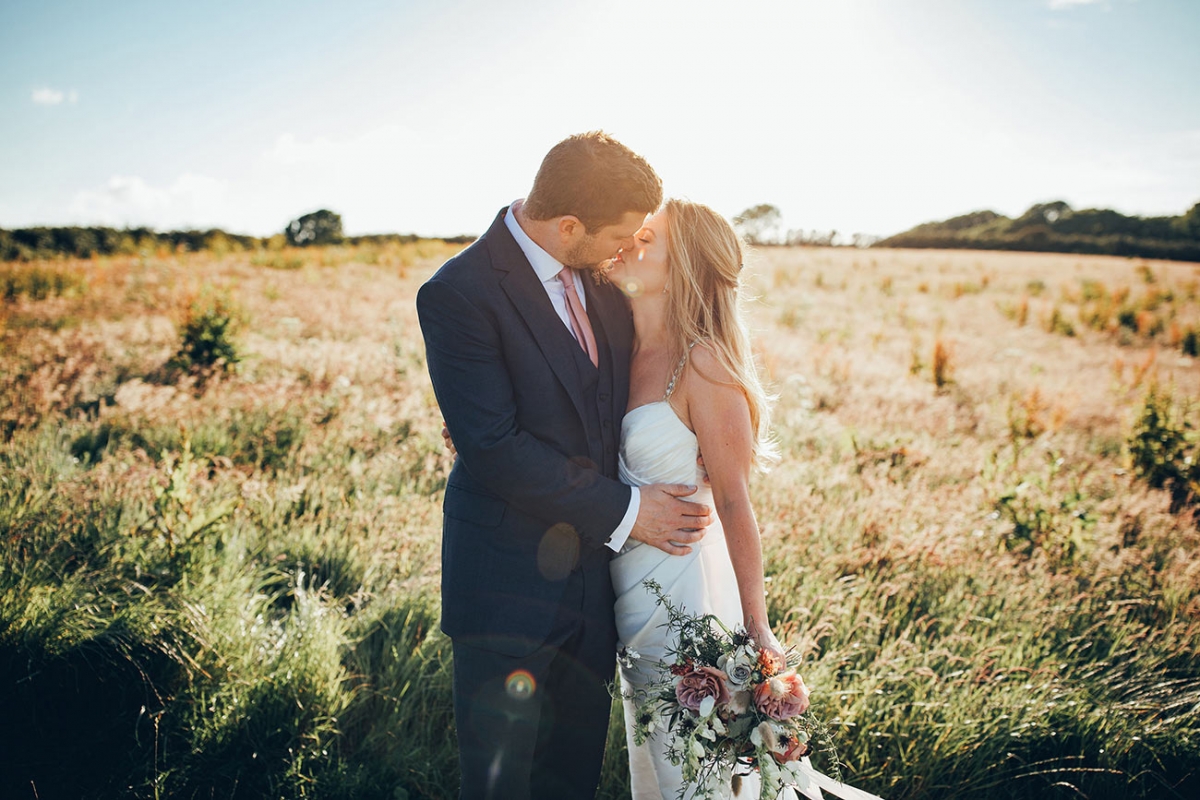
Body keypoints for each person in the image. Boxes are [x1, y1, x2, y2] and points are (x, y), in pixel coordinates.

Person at [416, 132, 715, 800]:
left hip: (592, 588)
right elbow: (494, 448)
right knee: (499, 785)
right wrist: (632, 513)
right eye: (618, 236)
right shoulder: (458, 293)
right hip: (503, 586)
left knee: (570, 780)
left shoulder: (605, 282)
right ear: (569, 225)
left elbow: (636, 381)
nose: (627, 251)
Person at [609, 200, 884, 800]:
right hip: (627, 601)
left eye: (647, 237)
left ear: (680, 263)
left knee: (697, 777)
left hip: (688, 604)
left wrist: (758, 629)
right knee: (654, 771)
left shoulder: (702, 362)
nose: (629, 242)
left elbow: (735, 503)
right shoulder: (616, 349)